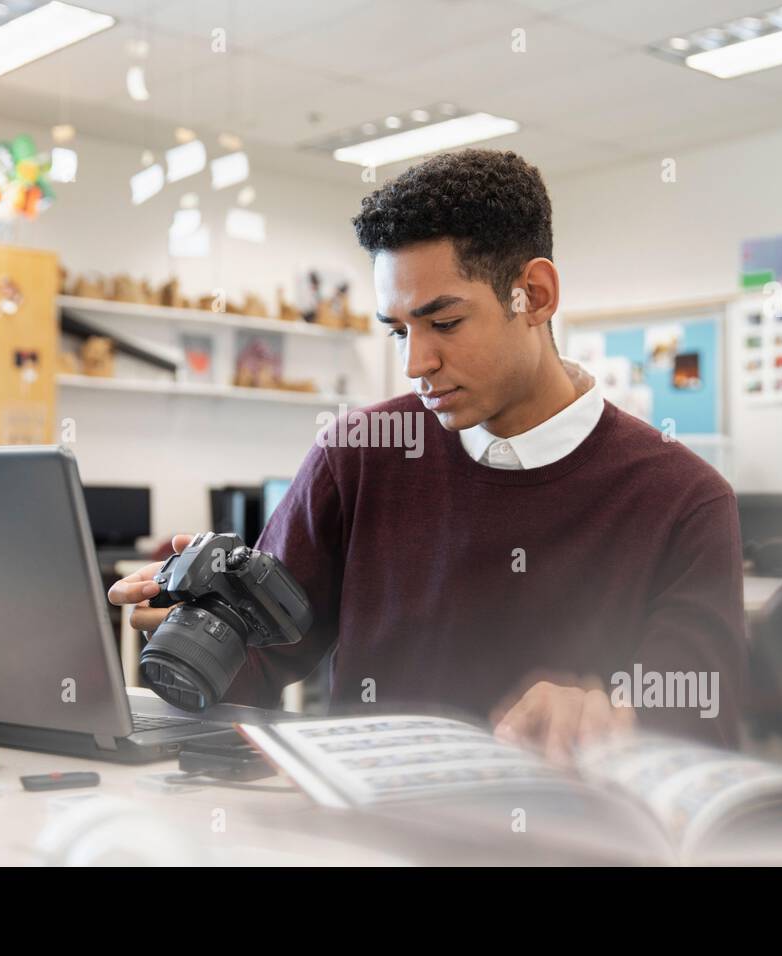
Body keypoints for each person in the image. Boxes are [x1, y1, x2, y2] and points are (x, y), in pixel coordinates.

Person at [110, 149, 746, 765]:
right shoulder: (357, 453)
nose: (416, 365)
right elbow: (262, 664)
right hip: (368, 839)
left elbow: (701, 733)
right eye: (398, 330)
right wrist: (198, 629)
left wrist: (611, 716)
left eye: (444, 323)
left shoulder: (683, 499)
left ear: (536, 295)